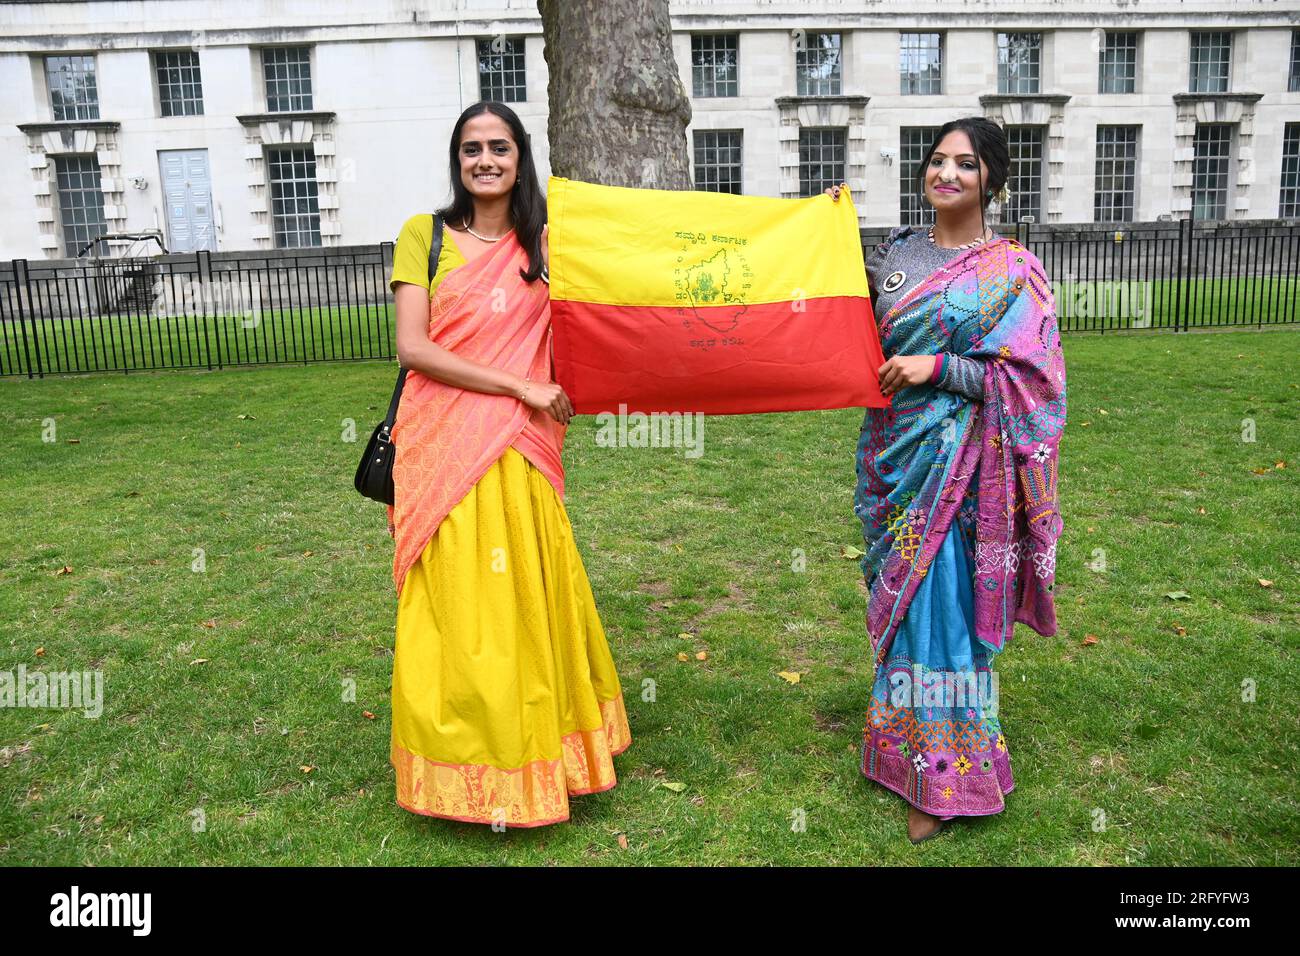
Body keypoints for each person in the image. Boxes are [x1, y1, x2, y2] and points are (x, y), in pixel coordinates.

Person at [384, 101, 630, 828]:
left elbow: (640, 277)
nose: (484, 160)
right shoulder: (422, 237)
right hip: (443, 445)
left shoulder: (549, 244)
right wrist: (519, 384)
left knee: (527, 594)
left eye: (499, 147)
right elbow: (415, 348)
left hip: (522, 449)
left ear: (521, 157)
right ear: (456, 161)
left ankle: (544, 750)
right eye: (470, 149)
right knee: (459, 605)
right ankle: (462, 758)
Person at [827, 116, 1066, 844]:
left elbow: (1037, 381)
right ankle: (899, 745)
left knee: (943, 606)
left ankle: (947, 773)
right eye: (937, 161)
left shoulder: (1014, 270)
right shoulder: (896, 254)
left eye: (964, 164)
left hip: (965, 465)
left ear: (990, 176)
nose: (947, 174)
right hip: (895, 456)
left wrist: (940, 369)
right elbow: (849, 324)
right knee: (903, 599)